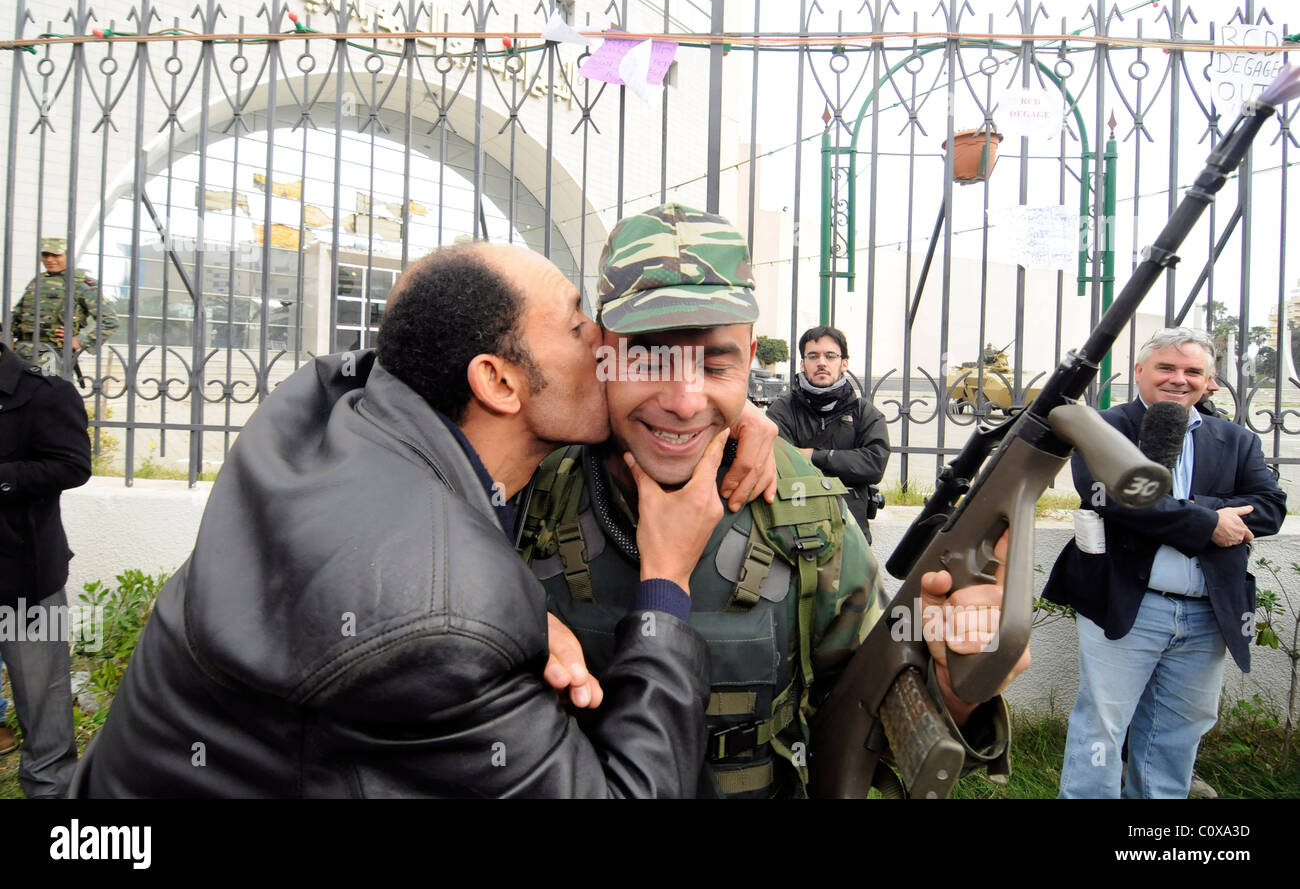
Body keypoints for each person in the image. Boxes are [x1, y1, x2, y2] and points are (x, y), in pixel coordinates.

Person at [75, 241, 781, 798]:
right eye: (575, 324)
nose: (604, 337)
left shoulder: (339, 402)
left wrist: (712, 401)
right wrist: (664, 586)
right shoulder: (438, 616)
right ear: (498, 381)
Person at [521, 204, 1021, 798]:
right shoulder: (530, 490)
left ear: (751, 358)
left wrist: (957, 685)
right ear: (600, 350)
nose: (684, 400)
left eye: (716, 362)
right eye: (649, 356)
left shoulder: (805, 515)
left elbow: (867, 723)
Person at [1044, 327, 1286, 799]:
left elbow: (1271, 507)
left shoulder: (1236, 440)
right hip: (1127, 603)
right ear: (1140, 372)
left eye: (1193, 371)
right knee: (1103, 727)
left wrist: (1189, 507)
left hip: (1205, 613)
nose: (1180, 379)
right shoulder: (1105, 428)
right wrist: (1209, 522)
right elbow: (1115, 498)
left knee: (1177, 733)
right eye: (1167, 368)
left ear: (1210, 380)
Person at [0, 341, 90, 797]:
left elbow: (72, 466)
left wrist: (4, 477)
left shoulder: (44, 393)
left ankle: (50, 792)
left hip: (24, 576)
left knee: (43, 701)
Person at [766, 325, 890, 541]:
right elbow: (779, 464)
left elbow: (874, 464)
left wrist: (812, 455)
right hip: (793, 530)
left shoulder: (865, 413)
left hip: (852, 533)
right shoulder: (781, 411)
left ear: (844, 363)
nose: (821, 362)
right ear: (803, 364)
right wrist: (844, 464)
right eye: (813, 356)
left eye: (830, 356)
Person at [9, 238, 118, 374]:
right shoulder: (38, 281)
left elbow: (110, 321)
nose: (49, 259)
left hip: (52, 355)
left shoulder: (81, 284)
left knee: (47, 395)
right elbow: (16, 316)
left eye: (56, 255)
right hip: (20, 353)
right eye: (45, 255)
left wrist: (81, 340)